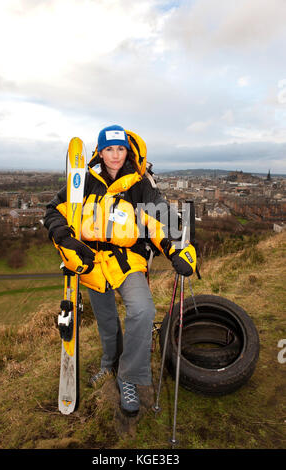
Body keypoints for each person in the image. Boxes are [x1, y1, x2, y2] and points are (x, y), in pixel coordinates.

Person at [44, 125, 196, 416]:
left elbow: (160, 214)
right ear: (100, 152)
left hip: (127, 262)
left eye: (120, 149)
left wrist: (177, 246)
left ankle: (129, 376)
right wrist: (64, 237)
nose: (115, 155)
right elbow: (54, 211)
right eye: (109, 149)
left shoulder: (140, 184)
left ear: (128, 151)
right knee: (106, 321)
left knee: (143, 310)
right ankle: (108, 364)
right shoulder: (84, 181)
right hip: (90, 263)